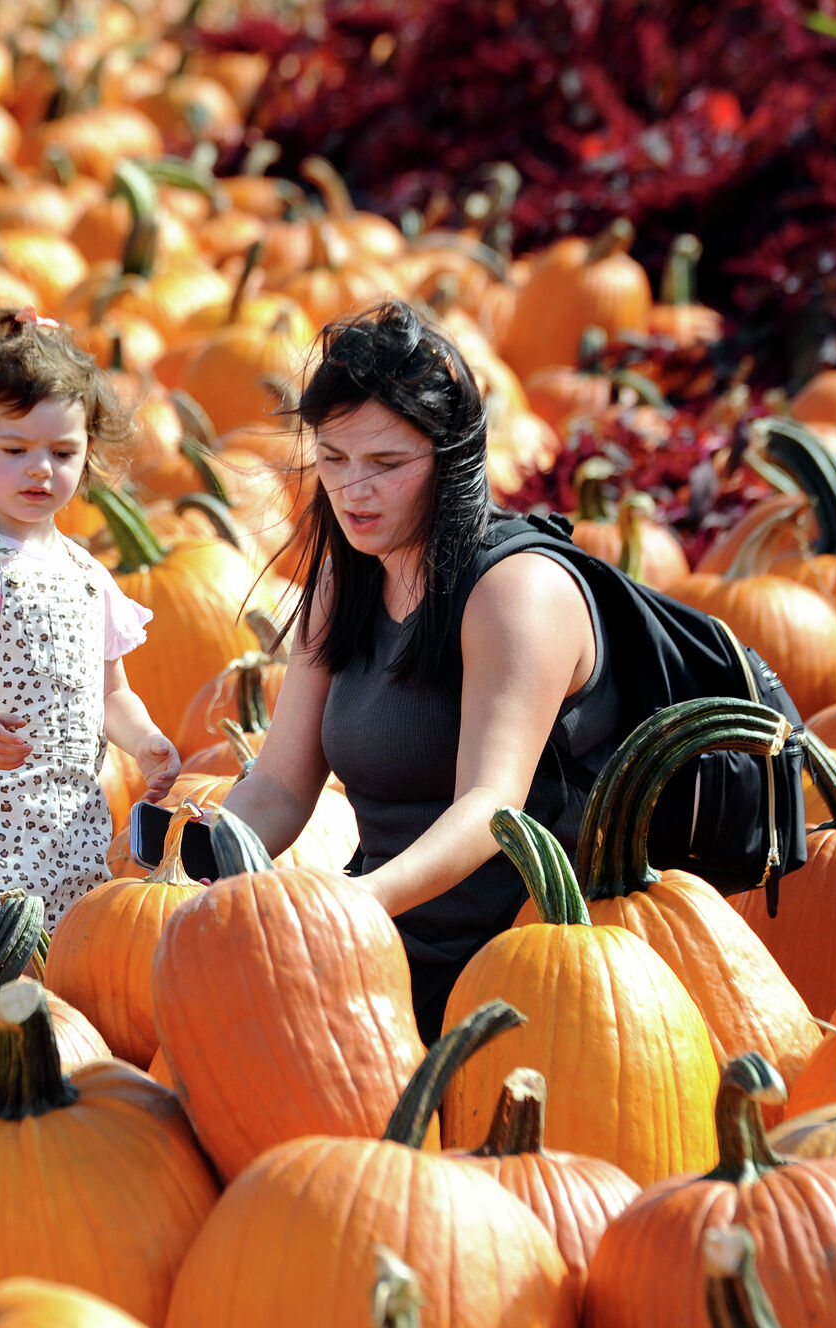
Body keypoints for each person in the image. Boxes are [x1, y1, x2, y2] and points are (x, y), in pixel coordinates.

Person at [217, 299, 625, 1042]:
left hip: (523, 973)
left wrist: (354, 905)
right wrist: (200, 864)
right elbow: (278, 784)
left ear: (452, 458)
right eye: (333, 460)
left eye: (386, 464)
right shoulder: (346, 582)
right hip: (378, 947)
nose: (352, 490)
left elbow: (488, 808)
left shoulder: (516, 591)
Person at [0, 306, 182, 933]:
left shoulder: (89, 576)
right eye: (15, 449)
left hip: (69, 819)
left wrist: (146, 742)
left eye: (62, 452)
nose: (40, 469)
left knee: (65, 963)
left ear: (87, 455)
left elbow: (112, 692)